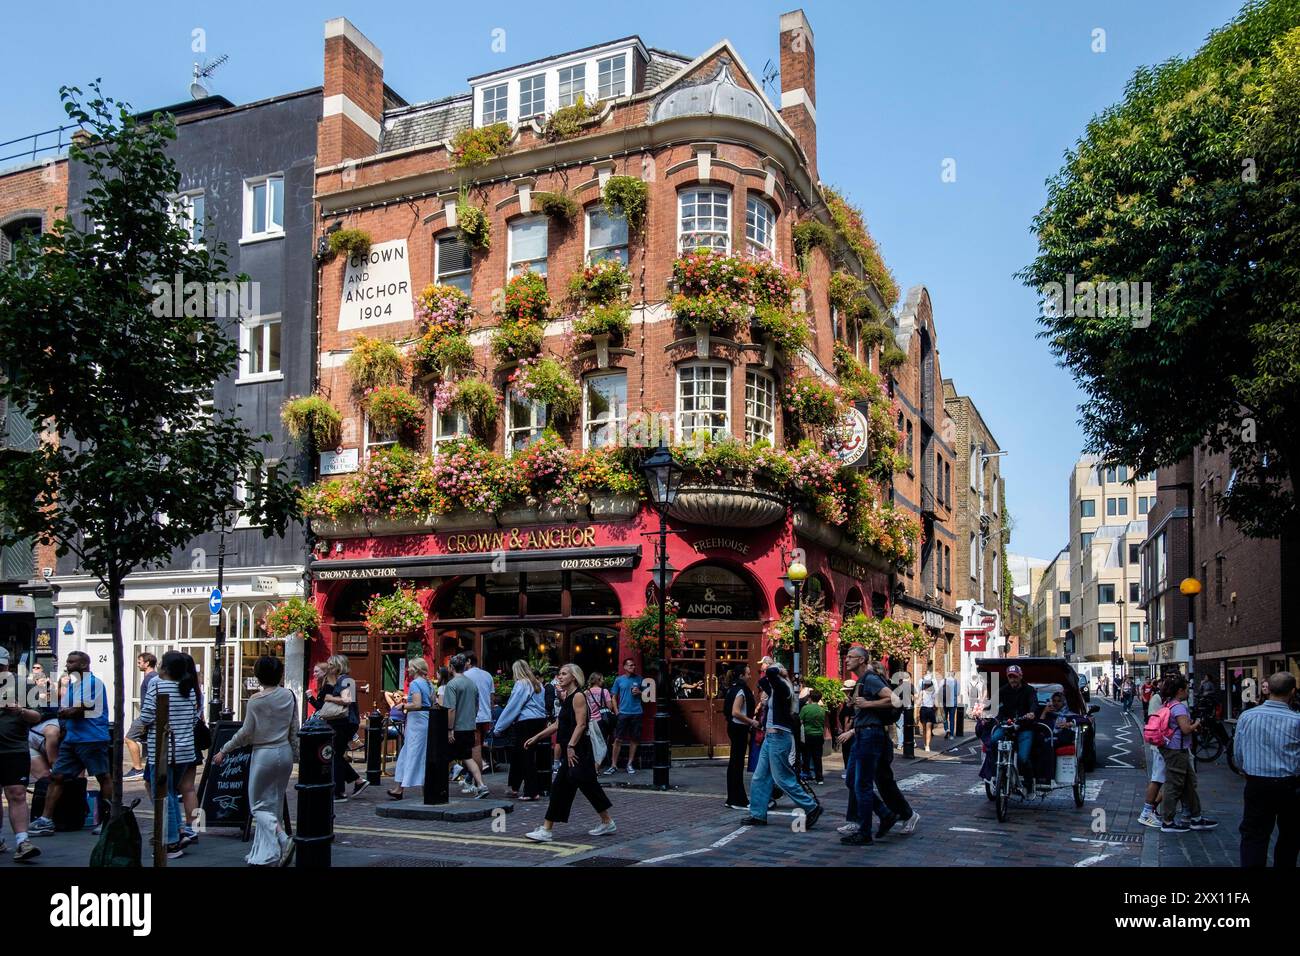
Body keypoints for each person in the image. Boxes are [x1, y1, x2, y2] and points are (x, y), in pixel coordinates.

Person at [213, 655, 299, 866]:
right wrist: (297, 754)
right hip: (284, 752)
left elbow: (246, 732)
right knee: (275, 803)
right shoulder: (289, 695)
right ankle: (268, 854)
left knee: (258, 806)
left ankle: (283, 839)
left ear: (258, 676)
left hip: (264, 755)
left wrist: (224, 749)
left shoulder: (255, 700)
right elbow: (294, 728)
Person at [523, 663, 615, 841]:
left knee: (565, 787)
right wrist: (537, 737)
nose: (560, 676)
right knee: (585, 787)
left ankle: (547, 830)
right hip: (574, 750)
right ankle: (606, 821)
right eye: (559, 673)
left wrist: (571, 746)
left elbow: (581, 724)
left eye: (564, 674)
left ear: (574, 677)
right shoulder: (568, 697)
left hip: (578, 750)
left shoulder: (578, 696)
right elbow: (558, 724)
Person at [30, 651, 114, 838]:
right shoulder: (75, 685)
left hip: (92, 738)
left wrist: (62, 713)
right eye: (67, 661)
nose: (67, 665)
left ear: (84, 665)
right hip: (72, 739)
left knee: (103, 777)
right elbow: (65, 708)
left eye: (71, 662)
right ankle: (46, 819)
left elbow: (79, 708)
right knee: (57, 776)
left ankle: (109, 820)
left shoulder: (93, 683)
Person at [1233, 671, 1300, 867]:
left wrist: (1244, 769)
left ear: (1267, 689)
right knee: (1290, 835)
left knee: (1254, 835)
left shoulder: (1247, 716)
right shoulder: (1296, 720)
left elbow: (1238, 751)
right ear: (1293, 692)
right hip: (1289, 785)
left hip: (1256, 783)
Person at [745, 662, 822, 829]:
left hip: (779, 737)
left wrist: (779, 670)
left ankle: (811, 806)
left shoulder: (783, 688)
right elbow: (763, 682)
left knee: (782, 778)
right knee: (760, 777)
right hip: (770, 737)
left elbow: (771, 675)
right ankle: (758, 814)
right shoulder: (775, 688)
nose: (767, 670)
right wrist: (771, 672)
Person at [137, 651, 199, 858]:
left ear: (165, 668)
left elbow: (146, 715)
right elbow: (193, 720)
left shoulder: (157, 684)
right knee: (171, 793)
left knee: (162, 795)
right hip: (185, 750)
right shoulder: (188, 688)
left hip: (163, 750)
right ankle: (179, 832)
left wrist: (137, 731)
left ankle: (171, 842)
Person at [1157, 675, 1218, 833]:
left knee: (1189, 783)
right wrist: (1196, 723)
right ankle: (1168, 821)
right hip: (1176, 750)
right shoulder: (1179, 707)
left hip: (1173, 748)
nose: (1188, 692)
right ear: (1180, 690)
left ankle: (1195, 817)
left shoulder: (1168, 704)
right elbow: (1185, 729)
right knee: (1174, 785)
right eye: (1186, 688)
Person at [0, 649, 41, 862]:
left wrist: (20, 711)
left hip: (14, 749)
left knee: (16, 793)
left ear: (8, 665)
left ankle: (23, 842)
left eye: (1, 667)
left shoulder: (23, 684)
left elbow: (36, 717)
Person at [493, 660, 548, 801]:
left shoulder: (521, 684)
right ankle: (514, 787)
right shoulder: (538, 684)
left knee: (525, 756)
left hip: (526, 723)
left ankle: (531, 791)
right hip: (539, 722)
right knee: (520, 755)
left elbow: (513, 706)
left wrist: (499, 727)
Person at [387, 659, 435, 800]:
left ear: (417, 669)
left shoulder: (415, 683)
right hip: (426, 720)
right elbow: (432, 703)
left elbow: (417, 704)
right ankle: (402, 788)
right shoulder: (429, 684)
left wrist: (403, 706)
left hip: (417, 722)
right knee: (418, 754)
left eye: (411, 667)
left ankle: (401, 789)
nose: (408, 669)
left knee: (411, 753)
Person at [982, 665, 1038, 786]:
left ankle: (1029, 783)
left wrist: (1031, 713)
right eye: (1010, 677)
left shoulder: (1029, 690)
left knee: (1023, 758)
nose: (1013, 679)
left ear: (1020, 676)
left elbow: (1034, 703)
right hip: (1006, 726)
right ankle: (995, 769)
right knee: (993, 740)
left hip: (1024, 727)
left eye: (1015, 677)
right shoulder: (1004, 690)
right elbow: (993, 703)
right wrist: (984, 712)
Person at [444, 654, 489, 798]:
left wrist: (450, 729)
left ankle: (438, 788)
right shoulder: (471, 684)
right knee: (467, 757)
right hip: (470, 725)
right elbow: (476, 706)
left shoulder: (452, 684)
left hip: (457, 727)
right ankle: (481, 785)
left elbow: (450, 709)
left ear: (451, 667)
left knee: (445, 756)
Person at [723, 664, 757, 809]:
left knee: (734, 763)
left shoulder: (732, 688)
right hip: (739, 728)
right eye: (748, 674)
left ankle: (732, 798)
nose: (750, 676)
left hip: (734, 728)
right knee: (736, 764)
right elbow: (735, 712)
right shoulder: (741, 690)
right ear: (741, 675)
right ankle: (737, 800)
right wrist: (752, 721)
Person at [605, 658, 644, 775]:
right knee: (618, 739)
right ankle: (613, 765)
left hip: (637, 712)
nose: (633, 667)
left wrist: (640, 693)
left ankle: (629, 764)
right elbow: (613, 696)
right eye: (630, 665)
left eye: (634, 665)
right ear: (625, 667)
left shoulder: (640, 679)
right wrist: (617, 711)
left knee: (634, 739)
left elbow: (648, 696)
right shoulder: (619, 680)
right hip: (623, 713)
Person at [123, 652, 158, 779]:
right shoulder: (153, 677)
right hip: (149, 715)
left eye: (139, 662)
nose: (138, 665)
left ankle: (137, 768)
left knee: (129, 738)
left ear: (147, 663)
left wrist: (146, 717)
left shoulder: (151, 678)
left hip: (147, 715)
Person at [463, 653, 496, 775]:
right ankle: (472, 778)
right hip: (486, 716)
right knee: (479, 745)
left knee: (475, 747)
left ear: (469, 661)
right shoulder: (487, 675)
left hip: (473, 716)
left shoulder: (465, 676)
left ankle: (478, 782)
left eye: (465, 662)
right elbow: (492, 698)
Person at [799, 689, 827, 784]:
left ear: (810, 698)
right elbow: (823, 723)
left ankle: (806, 775)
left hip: (807, 735)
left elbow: (800, 721)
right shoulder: (822, 710)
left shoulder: (805, 708)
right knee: (817, 757)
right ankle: (819, 778)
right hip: (819, 735)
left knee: (806, 756)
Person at [835, 679, 856, 780]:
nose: (844, 693)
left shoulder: (850, 705)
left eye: (846, 691)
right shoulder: (848, 704)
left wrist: (845, 731)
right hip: (850, 732)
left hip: (849, 733)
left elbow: (848, 720)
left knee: (848, 752)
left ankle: (849, 771)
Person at [917, 666, 939, 752]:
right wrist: (936, 708)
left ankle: (925, 743)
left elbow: (918, 703)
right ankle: (927, 746)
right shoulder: (934, 692)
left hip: (923, 710)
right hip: (930, 710)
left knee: (924, 728)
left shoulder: (922, 692)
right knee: (929, 728)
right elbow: (936, 704)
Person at [942, 671, 960, 739]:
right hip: (953, 703)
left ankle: (947, 729)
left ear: (948, 675)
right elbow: (958, 693)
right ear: (954, 675)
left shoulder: (943, 681)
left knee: (944, 718)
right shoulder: (957, 682)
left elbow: (940, 691)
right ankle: (952, 735)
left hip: (945, 702)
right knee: (952, 719)